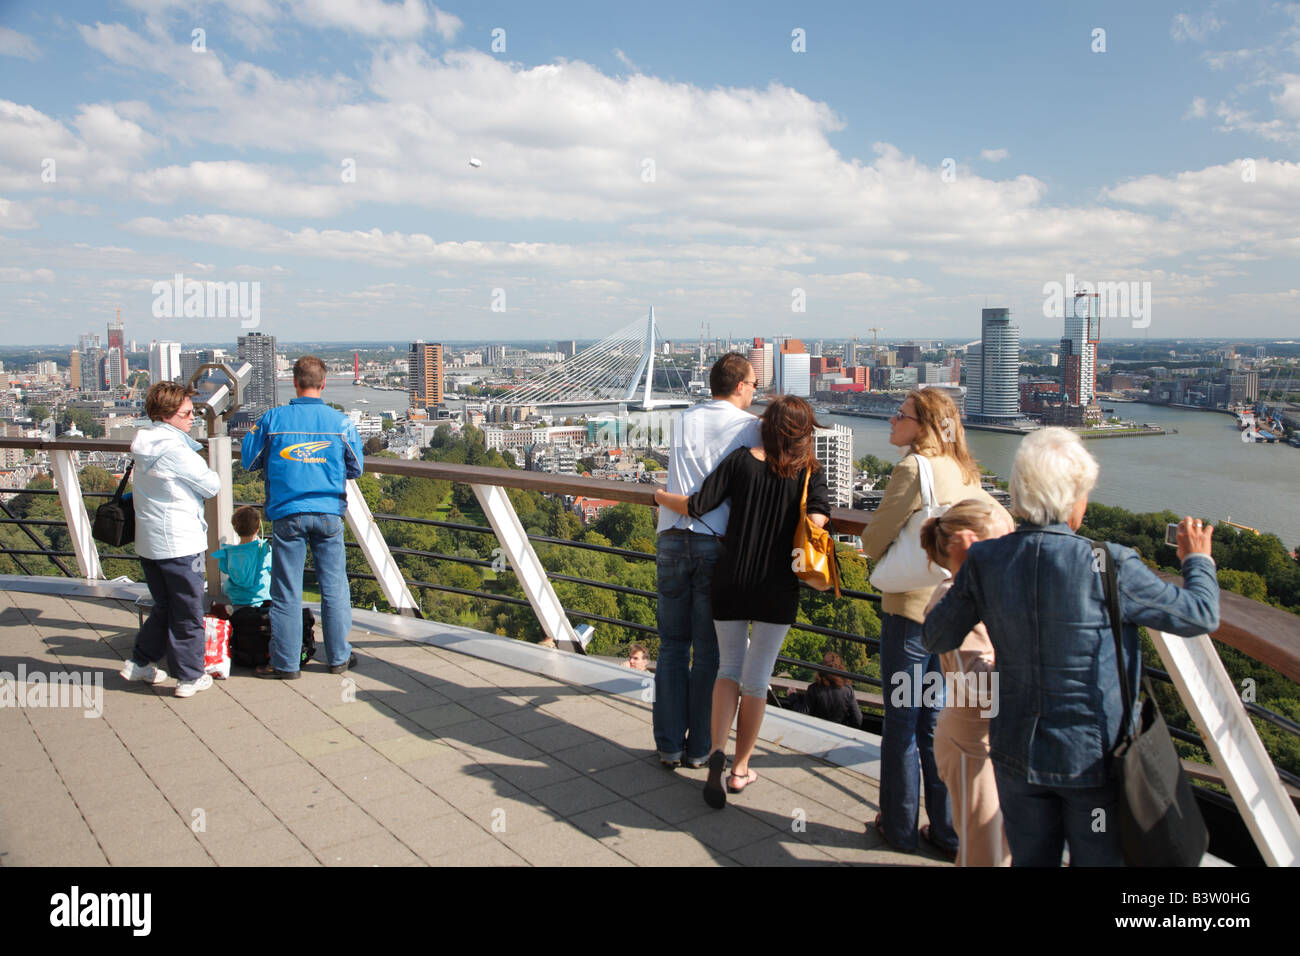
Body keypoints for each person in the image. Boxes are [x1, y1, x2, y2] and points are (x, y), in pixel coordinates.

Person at [923, 428, 1219, 866]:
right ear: (1074, 498)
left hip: (1014, 753)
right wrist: (1198, 559)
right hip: (1090, 759)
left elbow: (935, 637)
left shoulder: (987, 561)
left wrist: (966, 575)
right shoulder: (1111, 563)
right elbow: (1199, 614)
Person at [655, 394, 830, 809]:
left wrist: (660, 497)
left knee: (727, 669)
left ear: (765, 426)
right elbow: (818, 518)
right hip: (777, 584)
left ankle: (716, 749)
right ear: (804, 434)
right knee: (756, 680)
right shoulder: (809, 472)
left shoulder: (739, 460)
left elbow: (697, 505)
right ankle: (740, 768)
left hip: (731, 578)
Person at [859, 388, 1000, 857]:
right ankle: (947, 831)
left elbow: (876, 537)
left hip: (909, 612)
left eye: (899, 416)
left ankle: (897, 827)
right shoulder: (966, 470)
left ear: (922, 426)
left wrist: (872, 545)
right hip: (954, 614)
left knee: (901, 723)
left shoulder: (911, 468)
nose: (891, 422)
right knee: (937, 723)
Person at [653, 353, 762, 770]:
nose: (755, 392)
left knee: (671, 646)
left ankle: (668, 745)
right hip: (714, 543)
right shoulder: (750, 428)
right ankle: (700, 747)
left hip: (671, 537)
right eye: (753, 384)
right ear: (738, 386)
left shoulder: (683, 418)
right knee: (709, 652)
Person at [241, 356, 364, 679]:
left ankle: (286, 664)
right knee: (334, 587)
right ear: (324, 384)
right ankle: (338, 658)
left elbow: (248, 460)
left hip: (287, 513)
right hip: (328, 513)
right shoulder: (340, 423)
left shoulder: (272, 419)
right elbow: (356, 468)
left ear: (294, 382)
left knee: (286, 591)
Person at [919, 499, 1015, 867]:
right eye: (1003, 542)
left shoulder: (984, 592)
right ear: (970, 546)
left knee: (992, 850)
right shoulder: (950, 601)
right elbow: (981, 683)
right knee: (983, 854)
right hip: (971, 745)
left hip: (986, 741)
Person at [120, 382, 222, 698]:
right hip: (181, 542)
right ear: (168, 415)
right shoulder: (176, 450)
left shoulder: (144, 443)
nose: (193, 418)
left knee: (164, 606)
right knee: (188, 609)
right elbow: (212, 485)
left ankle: (140, 661)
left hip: (149, 542)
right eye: (187, 413)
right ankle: (191, 676)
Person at [213, 505, 272, 610]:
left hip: (236, 598)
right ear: (257, 529)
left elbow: (223, 568)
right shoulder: (264, 549)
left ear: (235, 528)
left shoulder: (227, 552)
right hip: (260, 597)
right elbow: (272, 566)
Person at [803, 651, 863, 729]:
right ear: (840, 668)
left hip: (817, 731)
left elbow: (803, 713)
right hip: (838, 734)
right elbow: (857, 720)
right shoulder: (847, 690)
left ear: (822, 668)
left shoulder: (813, 689)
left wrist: (792, 697)